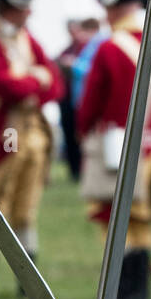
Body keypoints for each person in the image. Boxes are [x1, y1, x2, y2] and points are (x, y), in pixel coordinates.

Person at [76, 0, 151, 299]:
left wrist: (81, 132)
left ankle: (121, 295)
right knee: (141, 222)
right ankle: (141, 294)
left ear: (119, 9)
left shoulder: (108, 48)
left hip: (118, 146)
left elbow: (92, 101)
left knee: (114, 218)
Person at [0, 0, 64, 299]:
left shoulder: (26, 41)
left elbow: (56, 86)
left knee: (26, 210)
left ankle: (28, 285)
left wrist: (32, 80)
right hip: (1, 138)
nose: (28, 14)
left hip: (32, 135)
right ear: (7, 9)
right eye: (22, 8)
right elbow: (7, 87)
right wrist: (36, 78)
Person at [55, 18, 101, 179]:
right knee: (74, 136)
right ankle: (77, 171)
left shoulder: (96, 45)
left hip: (83, 99)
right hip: (74, 99)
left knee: (83, 136)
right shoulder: (75, 48)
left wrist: (73, 65)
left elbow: (93, 71)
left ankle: (84, 171)